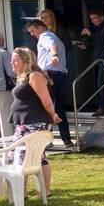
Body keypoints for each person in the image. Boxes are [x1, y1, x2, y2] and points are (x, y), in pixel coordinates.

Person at [7, 46, 60, 196]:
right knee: (35, 157)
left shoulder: (34, 75)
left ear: (25, 61)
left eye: (15, 60)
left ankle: (28, 192)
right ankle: (37, 191)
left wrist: (53, 115)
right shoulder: (24, 76)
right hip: (26, 123)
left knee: (23, 156)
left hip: (34, 123)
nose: (12, 63)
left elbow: (46, 100)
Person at [25, 19, 72, 147]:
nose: (32, 34)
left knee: (45, 107)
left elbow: (51, 45)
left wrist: (54, 55)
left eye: (33, 31)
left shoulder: (45, 36)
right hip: (61, 74)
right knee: (58, 108)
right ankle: (66, 139)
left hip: (49, 74)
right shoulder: (56, 37)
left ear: (40, 28)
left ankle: (46, 140)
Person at [75, 8, 104, 114]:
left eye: (95, 18)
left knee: (101, 83)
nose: (93, 21)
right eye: (91, 19)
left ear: (102, 18)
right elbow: (97, 44)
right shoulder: (98, 29)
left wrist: (90, 34)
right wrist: (86, 46)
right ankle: (102, 106)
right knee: (99, 84)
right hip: (98, 60)